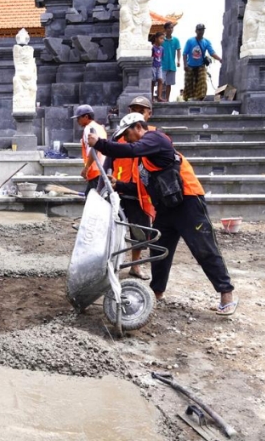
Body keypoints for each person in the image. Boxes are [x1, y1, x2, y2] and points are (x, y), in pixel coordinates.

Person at [86, 109, 237, 315]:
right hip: (166, 208)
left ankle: (226, 295)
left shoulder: (155, 139)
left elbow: (131, 149)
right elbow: (142, 188)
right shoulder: (145, 161)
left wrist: (100, 144)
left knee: (203, 248)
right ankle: (156, 293)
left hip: (188, 202)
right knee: (158, 251)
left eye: (127, 135)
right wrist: (118, 184)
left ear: (138, 127)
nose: (125, 140)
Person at [105, 101, 156, 279]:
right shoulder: (120, 135)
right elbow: (109, 160)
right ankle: (112, 264)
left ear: (149, 113)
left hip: (139, 192)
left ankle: (136, 265)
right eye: (134, 110)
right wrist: (107, 181)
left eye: (142, 111)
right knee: (113, 229)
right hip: (117, 189)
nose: (139, 113)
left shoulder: (154, 136)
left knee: (140, 231)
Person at [182, 24, 222, 101]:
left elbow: (212, 53)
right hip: (190, 65)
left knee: (202, 81)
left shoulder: (206, 42)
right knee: (188, 83)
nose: (201, 32)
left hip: (200, 65)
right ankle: (187, 98)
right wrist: (185, 65)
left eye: (202, 30)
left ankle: (200, 98)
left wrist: (220, 59)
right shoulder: (190, 41)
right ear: (196, 31)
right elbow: (184, 53)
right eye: (199, 30)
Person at [74, 104, 106, 194]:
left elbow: (93, 150)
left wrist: (86, 168)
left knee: (91, 202)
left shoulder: (89, 129)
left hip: (95, 170)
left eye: (78, 118)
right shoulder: (100, 128)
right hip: (103, 169)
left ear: (86, 116)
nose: (77, 121)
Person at [161, 22, 181, 102]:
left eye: (172, 28)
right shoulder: (162, 39)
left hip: (172, 65)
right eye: (169, 28)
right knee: (161, 82)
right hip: (162, 64)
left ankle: (167, 99)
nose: (170, 29)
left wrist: (178, 61)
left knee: (169, 83)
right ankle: (160, 97)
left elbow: (178, 50)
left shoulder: (176, 40)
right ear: (165, 29)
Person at [151, 31, 165, 102]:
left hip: (159, 66)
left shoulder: (162, 48)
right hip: (153, 66)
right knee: (152, 81)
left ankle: (159, 96)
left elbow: (162, 57)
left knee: (160, 80)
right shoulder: (152, 47)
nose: (162, 40)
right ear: (156, 38)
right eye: (161, 38)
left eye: (163, 39)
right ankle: (151, 97)